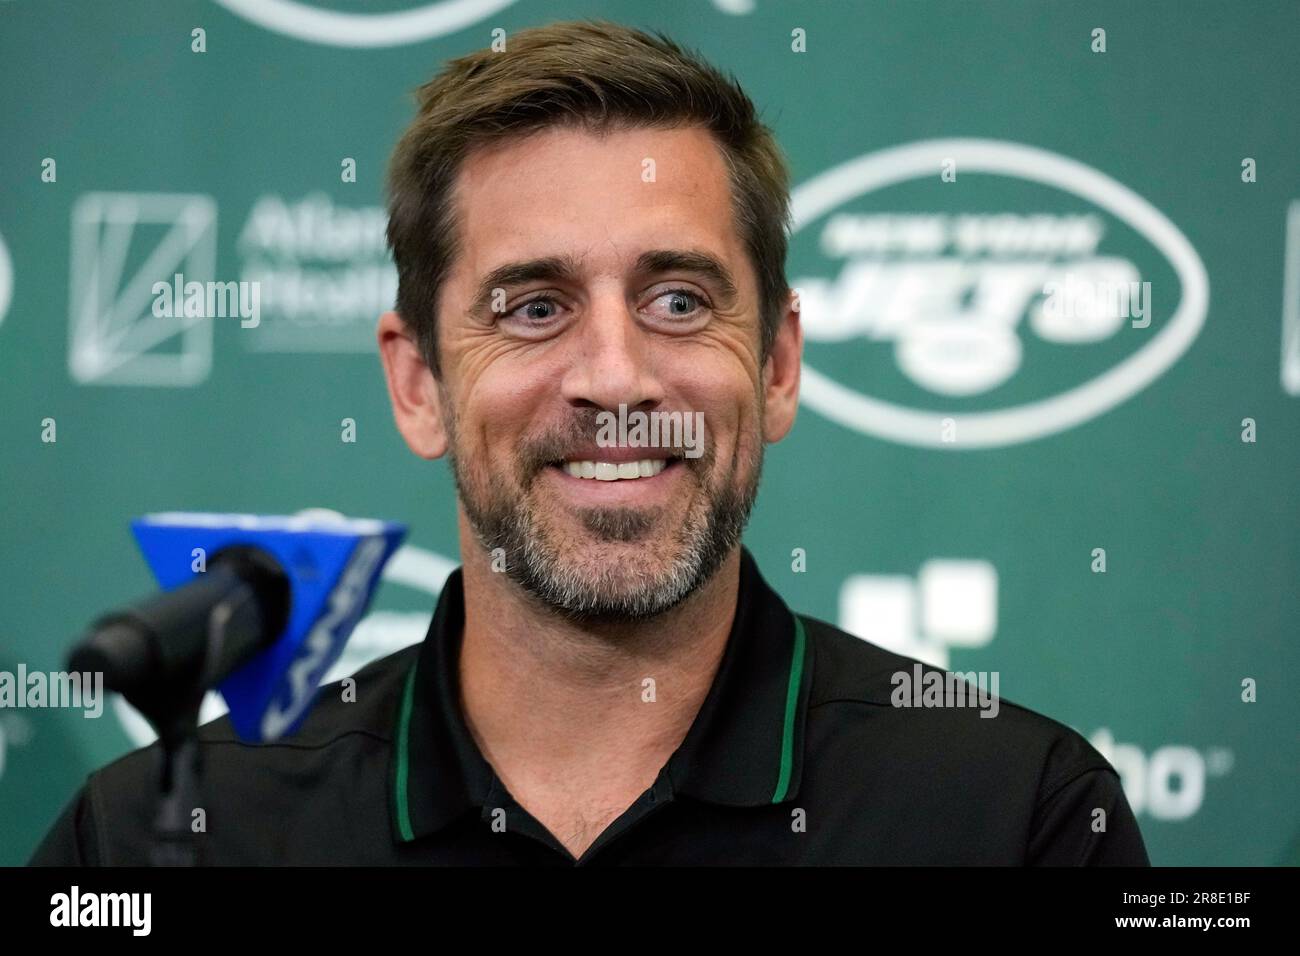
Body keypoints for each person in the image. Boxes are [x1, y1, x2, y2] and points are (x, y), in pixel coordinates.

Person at [31, 20, 1148, 866]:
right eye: (533, 307)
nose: (615, 376)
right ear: (418, 382)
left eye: (675, 299)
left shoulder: (1017, 817)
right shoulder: (159, 837)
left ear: (777, 364)